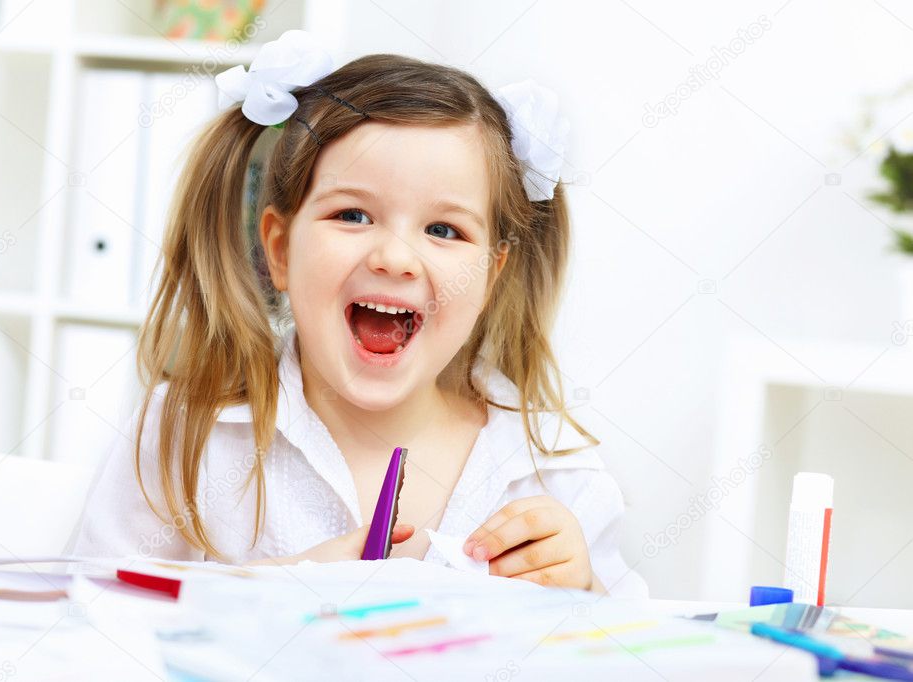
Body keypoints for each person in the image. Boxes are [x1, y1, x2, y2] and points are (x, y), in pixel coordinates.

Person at [72, 30, 647, 597]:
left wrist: (584, 593)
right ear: (279, 250)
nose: (395, 257)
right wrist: (280, 587)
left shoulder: (554, 467)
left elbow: (634, 651)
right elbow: (95, 622)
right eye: (352, 215)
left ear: (491, 277)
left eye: (444, 229)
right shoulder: (185, 435)